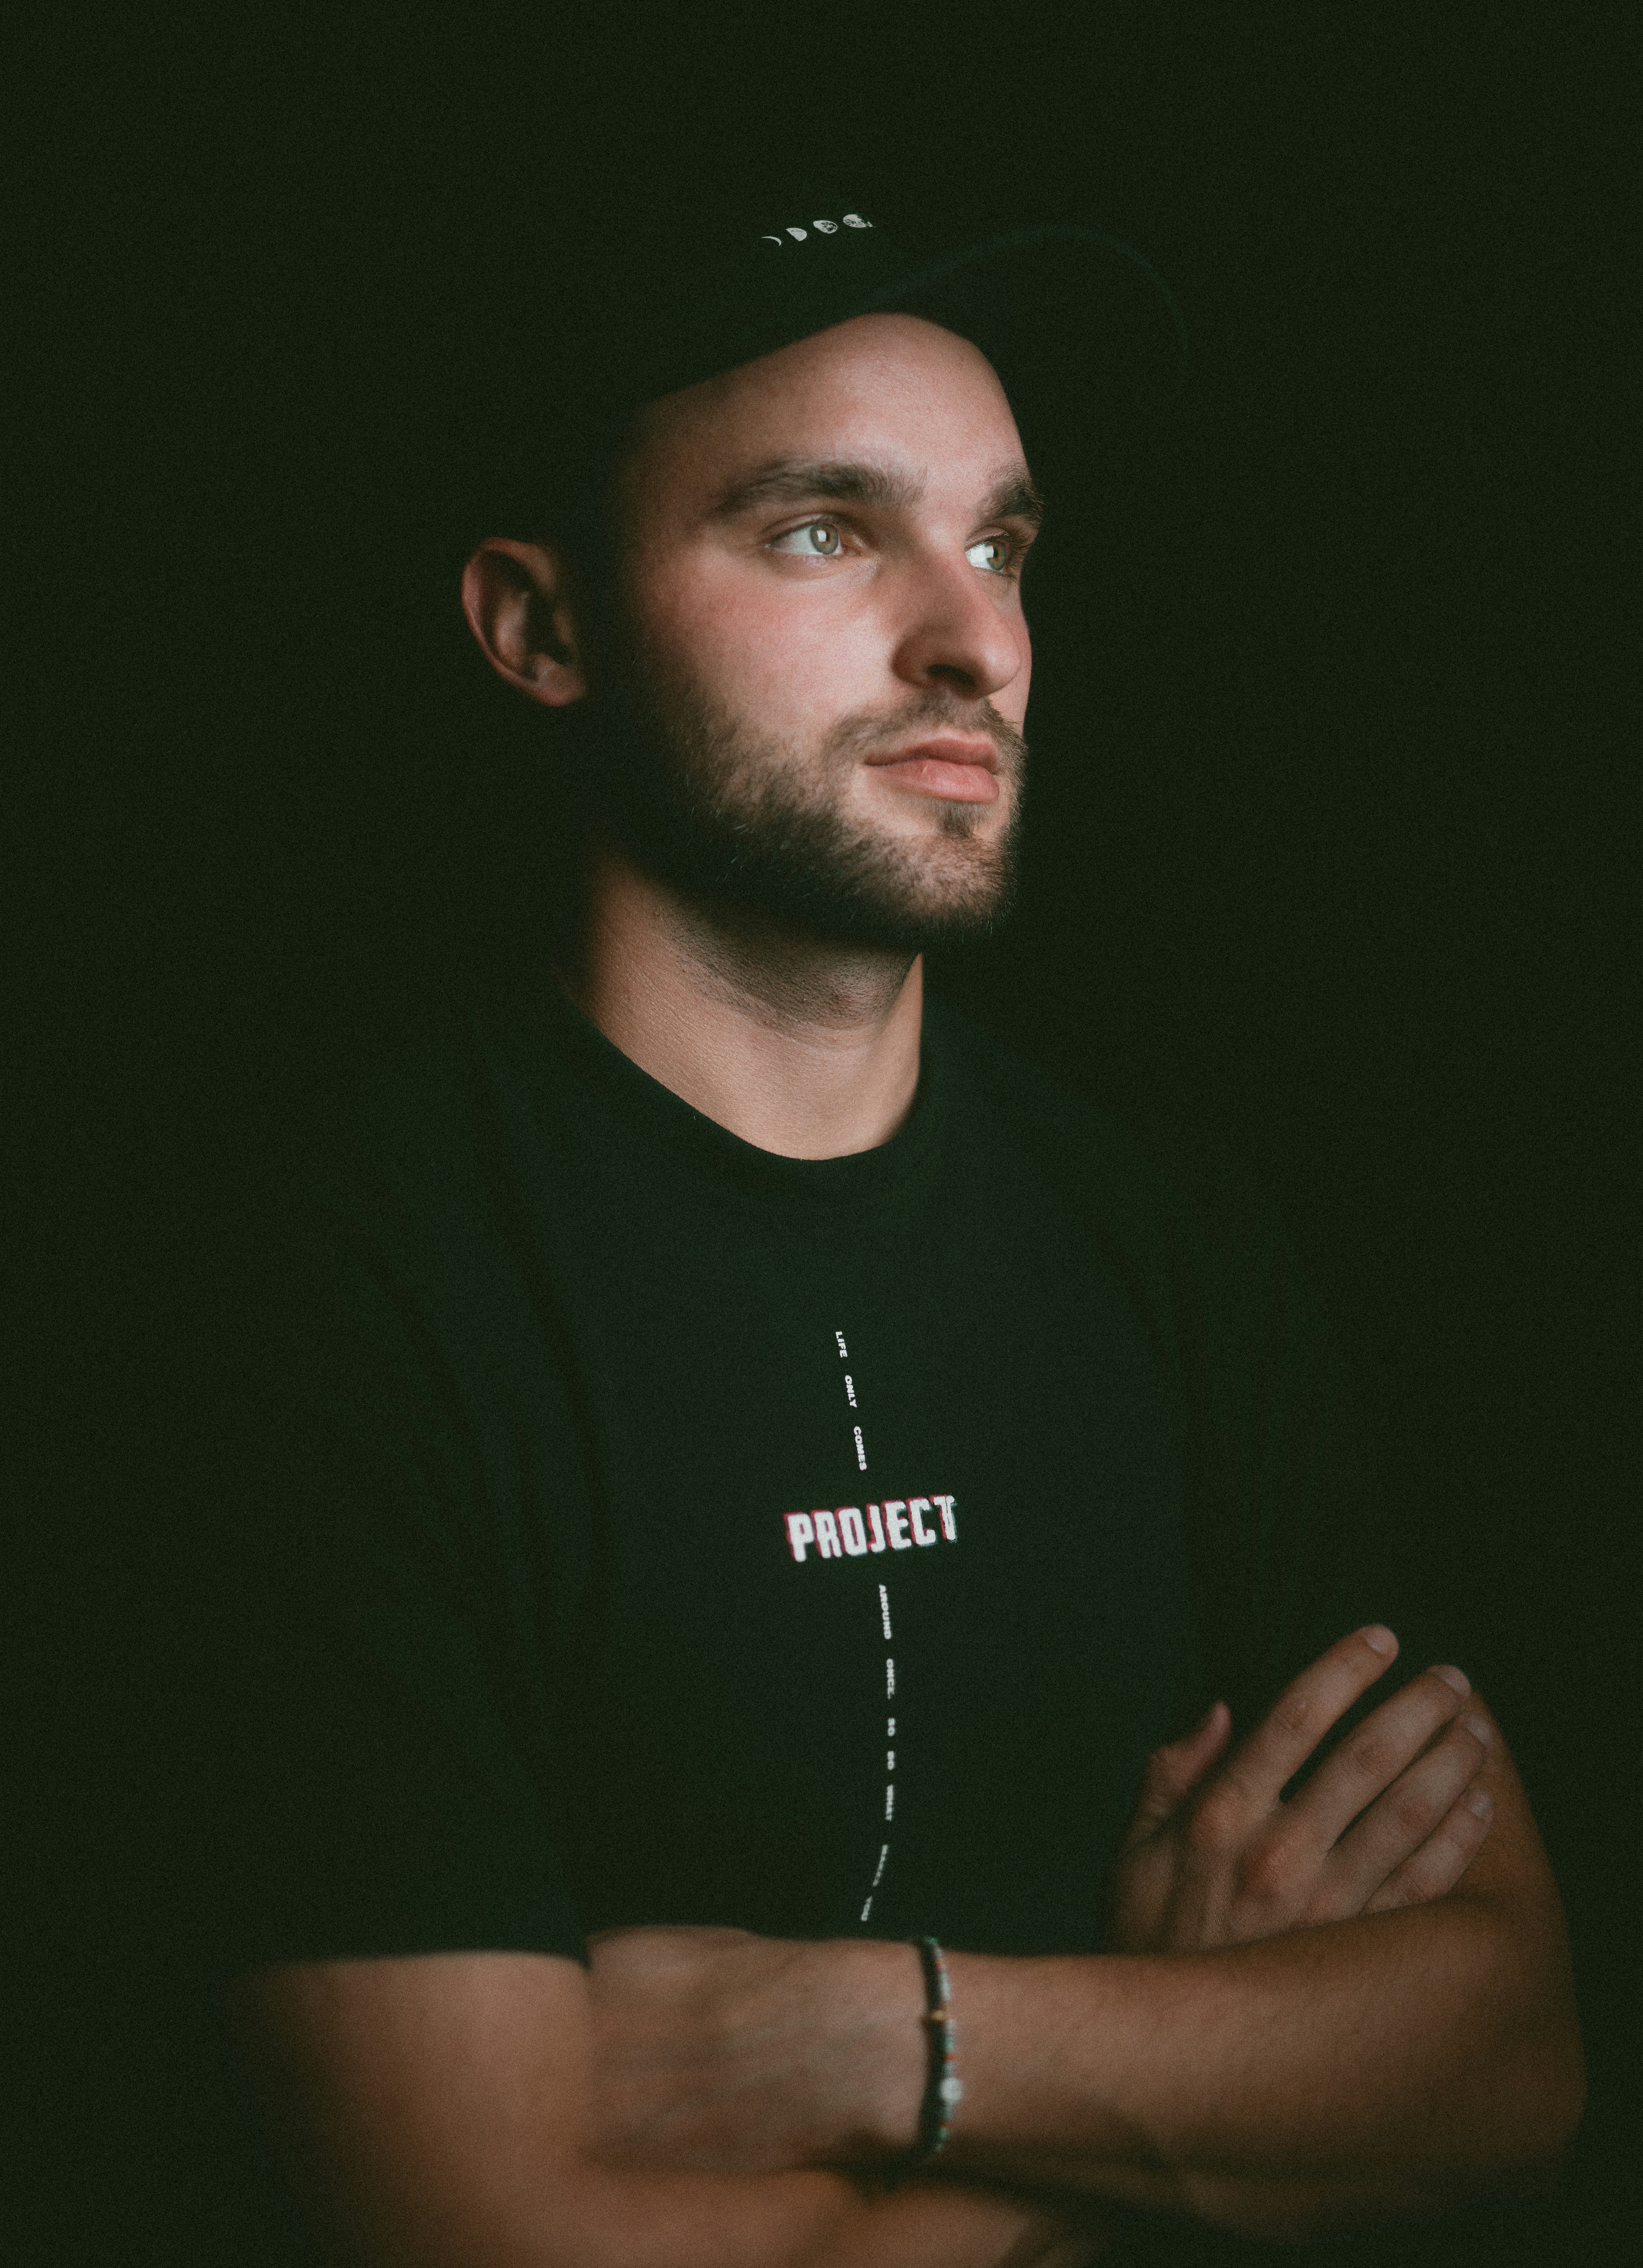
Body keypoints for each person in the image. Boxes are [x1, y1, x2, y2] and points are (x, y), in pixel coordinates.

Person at [221, 204, 1583, 2267]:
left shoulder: (1170, 1242)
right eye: (824, 533)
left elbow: (1508, 2061)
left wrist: (878, 2036)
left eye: (1003, 542)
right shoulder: (350, 1293)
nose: (976, 639)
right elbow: (476, 2230)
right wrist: (1164, 2073)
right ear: (542, 628)